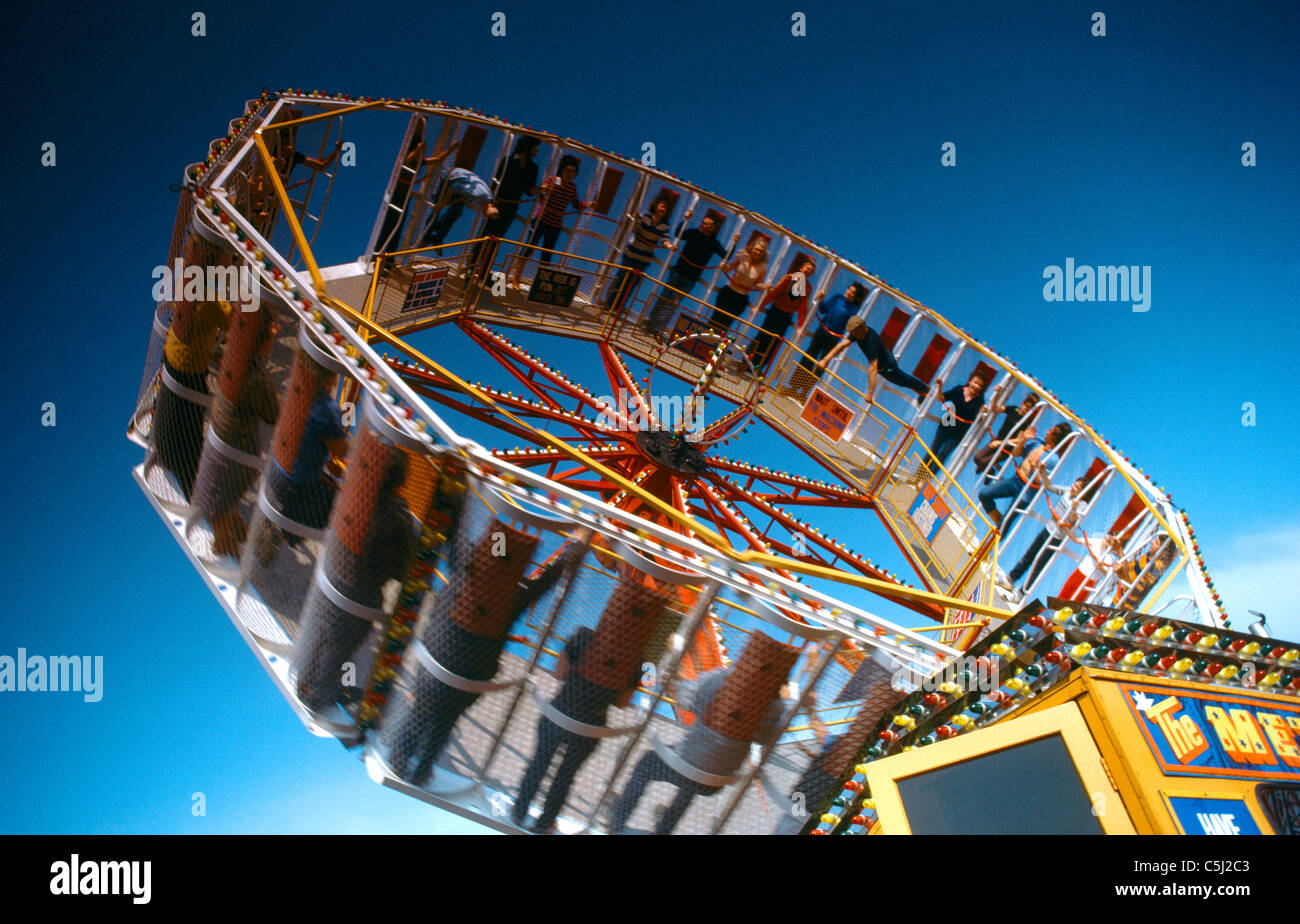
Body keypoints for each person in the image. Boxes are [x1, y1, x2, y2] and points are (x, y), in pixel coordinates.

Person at [512, 574, 669, 832]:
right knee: (565, 777)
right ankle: (544, 823)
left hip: (559, 712)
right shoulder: (641, 662)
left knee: (538, 763)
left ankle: (519, 812)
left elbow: (558, 673)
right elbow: (623, 702)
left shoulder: (583, 635)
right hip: (590, 726)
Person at [608, 633, 798, 835]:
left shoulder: (722, 679)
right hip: (718, 781)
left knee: (647, 763)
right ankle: (664, 830)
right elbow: (766, 738)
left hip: (687, 766)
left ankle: (617, 825)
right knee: (696, 777)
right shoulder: (776, 707)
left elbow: (684, 697)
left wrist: (675, 658)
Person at [292, 449, 417, 712]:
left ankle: (307, 677)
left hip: (335, 574)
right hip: (362, 593)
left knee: (326, 633)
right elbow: (406, 567)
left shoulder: (356, 491)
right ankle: (318, 697)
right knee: (341, 645)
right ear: (401, 480)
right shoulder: (399, 517)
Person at [194, 307, 280, 558]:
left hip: (220, 443)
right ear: (262, 339)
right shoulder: (256, 379)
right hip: (241, 459)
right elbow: (273, 414)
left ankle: (235, 527)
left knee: (225, 497)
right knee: (223, 510)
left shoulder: (230, 355)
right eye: (272, 331)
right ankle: (226, 549)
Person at [152, 298, 233, 502]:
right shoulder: (213, 304)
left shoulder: (186, 287)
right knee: (189, 445)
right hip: (190, 380)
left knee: (177, 435)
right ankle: (202, 502)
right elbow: (236, 324)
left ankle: (196, 493)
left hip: (172, 370)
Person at [645, 210, 735, 337]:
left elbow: (726, 255)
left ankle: (658, 328)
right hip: (678, 271)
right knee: (665, 297)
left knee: (673, 304)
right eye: (703, 223)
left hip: (691, 278)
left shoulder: (713, 243)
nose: (702, 225)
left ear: (712, 227)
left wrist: (734, 242)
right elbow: (678, 234)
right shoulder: (693, 233)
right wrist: (685, 219)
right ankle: (650, 322)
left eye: (706, 224)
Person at [1005, 475, 1095, 593]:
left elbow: (1073, 521)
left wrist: (1073, 508)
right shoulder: (1067, 491)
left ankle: (1022, 591)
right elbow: (1049, 486)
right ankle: (1011, 578)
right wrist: (1042, 471)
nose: (1073, 487)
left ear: (1083, 492)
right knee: (1029, 555)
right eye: (1074, 484)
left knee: (1039, 565)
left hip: (1056, 538)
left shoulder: (1082, 505)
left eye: (1077, 487)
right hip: (1048, 529)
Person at [509, 155, 590, 284]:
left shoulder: (572, 187)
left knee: (547, 253)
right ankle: (516, 277)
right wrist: (545, 190)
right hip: (541, 219)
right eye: (568, 170)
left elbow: (576, 204)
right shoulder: (553, 181)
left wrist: (588, 205)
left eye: (573, 171)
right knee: (529, 247)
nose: (570, 173)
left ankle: (541, 281)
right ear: (562, 170)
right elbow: (541, 193)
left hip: (555, 224)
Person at [978, 421, 1071, 532]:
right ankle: (1001, 524)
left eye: (1050, 431)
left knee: (1005, 522)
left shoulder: (1053, 459)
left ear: (1055, 437)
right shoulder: (1037, 443)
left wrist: (1034, 467)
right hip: (1014, 480)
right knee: (984, 494)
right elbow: (1015, 453)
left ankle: (1000, 528)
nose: (1046, 431)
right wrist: (1024, 439)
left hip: (1026, 492)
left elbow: (1043, 484)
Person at [469, 135, 541, 278]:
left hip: (512, 207)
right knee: (485, 235)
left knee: (497, 239)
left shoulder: (533, 168)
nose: (536, 151)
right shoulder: (508, 161)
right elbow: (495, 182)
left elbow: (529, 191)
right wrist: (490, 203)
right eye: (534, 148)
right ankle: (471, 267)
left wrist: (541, 189)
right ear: (527, 147)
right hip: (498, 203)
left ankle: (484, 272)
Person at [814, 314, 930, 402]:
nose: (853, 335)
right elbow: (842, 345)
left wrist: (870, 394)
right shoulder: (858, 333)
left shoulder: (871, 342)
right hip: (882, 360)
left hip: (888, 366)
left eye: (854, 332)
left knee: (903, 380)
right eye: (852, 332)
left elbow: (872, 368)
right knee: (902, 381)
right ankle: (922, 389)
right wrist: (825, 360)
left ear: (862, 327)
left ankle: (924, 389)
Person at [601, 191, 676, 313]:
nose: (664, 209)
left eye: (666, 208)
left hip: (643, 260)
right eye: (662, 206)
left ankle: (618, 309)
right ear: (656, 206)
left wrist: (670, 246)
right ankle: (608, 304)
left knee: (631, 285)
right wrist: (635, 220)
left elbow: (664, 240)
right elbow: (635, 230)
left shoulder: (665, 225)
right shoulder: (645, 217)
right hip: (631, 255)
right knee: (620, 280)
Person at [747, 257, 817, 374]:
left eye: (811, 271)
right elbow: (774, 293)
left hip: (786, 317)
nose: (808, 271)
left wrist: (800, 326)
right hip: (775, 312)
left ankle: (758, 367)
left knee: (774, 343)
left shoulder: (807, 287)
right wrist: (759, 306)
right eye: (807, 268)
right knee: (762, 336)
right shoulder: (789, 278)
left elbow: (802, 306)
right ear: (801, 268)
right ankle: (747, 361)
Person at [922, 370, 988, 474]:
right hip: (945, 426)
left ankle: (925, 480)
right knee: (933, 450)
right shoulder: (958, 390)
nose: (977, 386)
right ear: (970, 381)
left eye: (980, 385)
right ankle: (916, 477)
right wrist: (939, 386)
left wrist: (982, 413)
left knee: (942, 455)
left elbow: (978, 419)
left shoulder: (980, 400)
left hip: (958, 434)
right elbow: (941, 398)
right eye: (975, 382)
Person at [418, 166, 501, 249]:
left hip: (461, 182)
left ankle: (438, 236)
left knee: (457, 212)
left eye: (490, 217)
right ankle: (426, 236)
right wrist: (443, 203)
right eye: (493, 214)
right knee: (436, 207)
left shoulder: (487, 199)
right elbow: (454, 187)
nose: (488, 216)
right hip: (450, 177)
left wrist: (451, 202)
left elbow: (466, 196)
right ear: (492, 206)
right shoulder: (481, 196)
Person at [708, 235, 770, 332]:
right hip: (728, 293)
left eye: (761, 251)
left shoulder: (763, 267)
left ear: (764, 254)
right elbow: (729, 269)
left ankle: (715, 345)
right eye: (756, 249)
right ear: (751, 248)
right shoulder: (743, 256)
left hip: (741, 299)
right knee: (715, 319)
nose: (758, 252)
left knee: (725, 324)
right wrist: (723, 266)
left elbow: (758, 284)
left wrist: (765, 287)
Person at [971, 394, 1040, 480]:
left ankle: (986, 469)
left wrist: (1000, 443)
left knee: (982, 462)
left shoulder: (1027, 423)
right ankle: (988, 469)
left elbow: (1019, 440)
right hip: (996, 441)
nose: (1026, 409)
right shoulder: (1013, 409)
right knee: (977, 458)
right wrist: (997, 393)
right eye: (1026, 406)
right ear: (1022, 403)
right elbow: (995, 408)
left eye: (1029, 409)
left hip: (1005, 449)